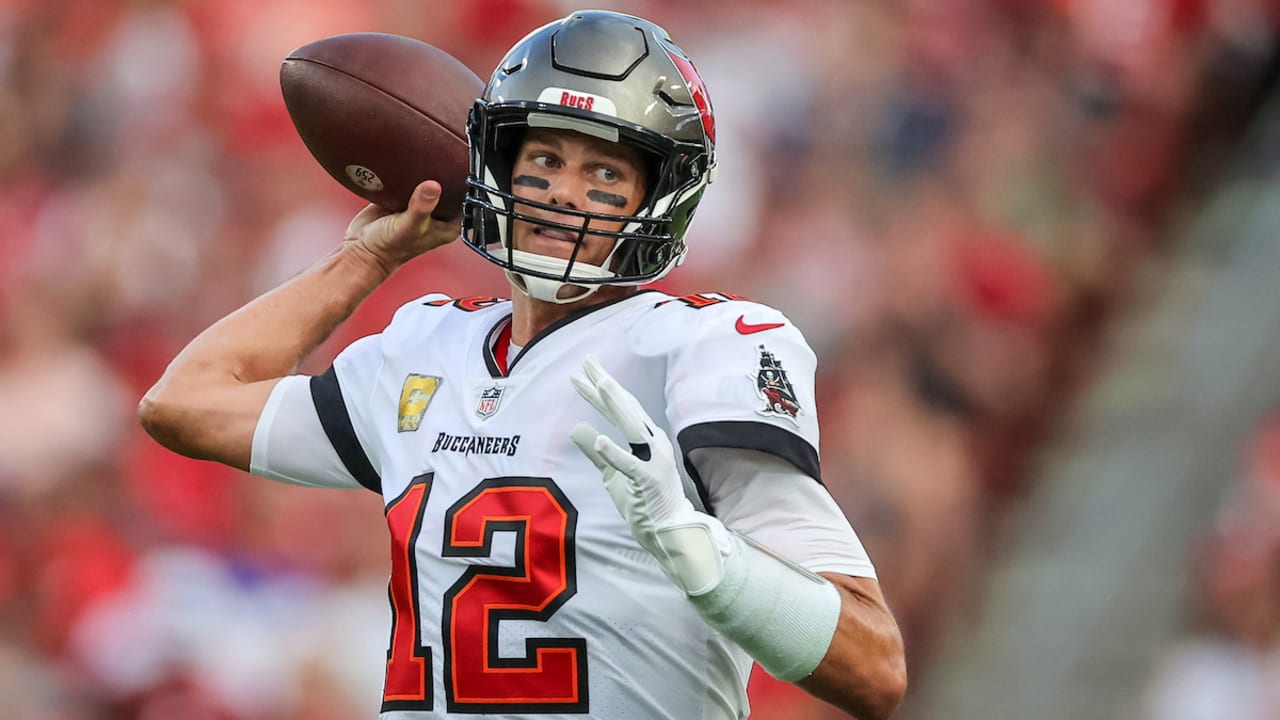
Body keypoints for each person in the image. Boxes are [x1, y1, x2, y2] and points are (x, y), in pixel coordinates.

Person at [139, 9, 906, 720]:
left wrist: (713, 564)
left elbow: (874, 671)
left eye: (605, 174)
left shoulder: (701, 348)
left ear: (658, 198)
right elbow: (184, 402)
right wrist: (362, 262)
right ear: (496, 170)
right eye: (542, 159)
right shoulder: (424, 350)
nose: (564, 194)